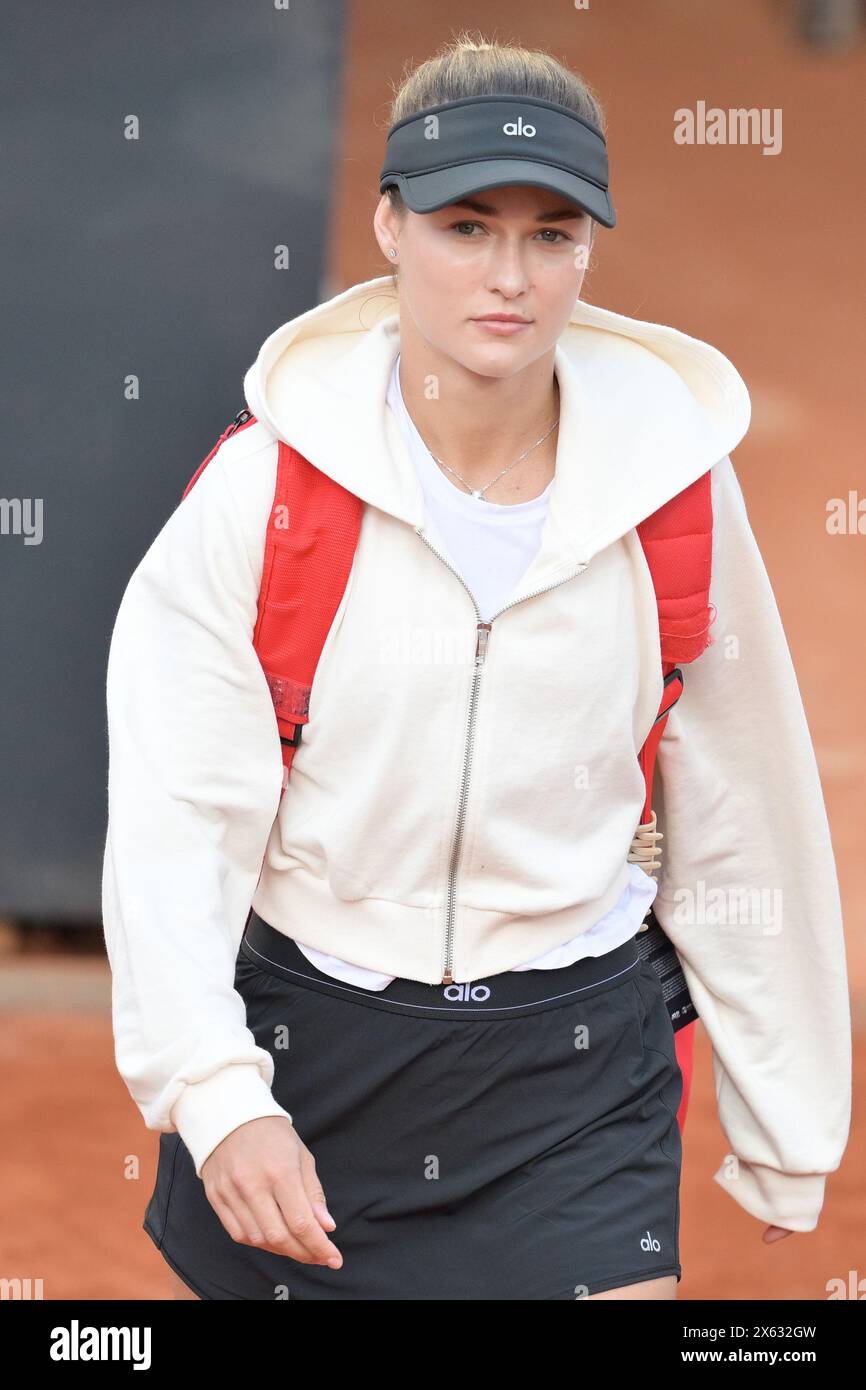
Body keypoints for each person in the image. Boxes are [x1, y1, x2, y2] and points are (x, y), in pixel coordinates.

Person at [101, 34, 851, 1301]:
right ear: (389, 227)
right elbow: (180, 819)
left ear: (586, 251)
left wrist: (787, 1115)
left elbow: (740, 800)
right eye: (465, 226)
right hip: (313, 1056)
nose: (508, 275)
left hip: (569, 1065)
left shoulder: (671, 491)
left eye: (550, 233)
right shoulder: (265, 491)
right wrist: (218, 1094)